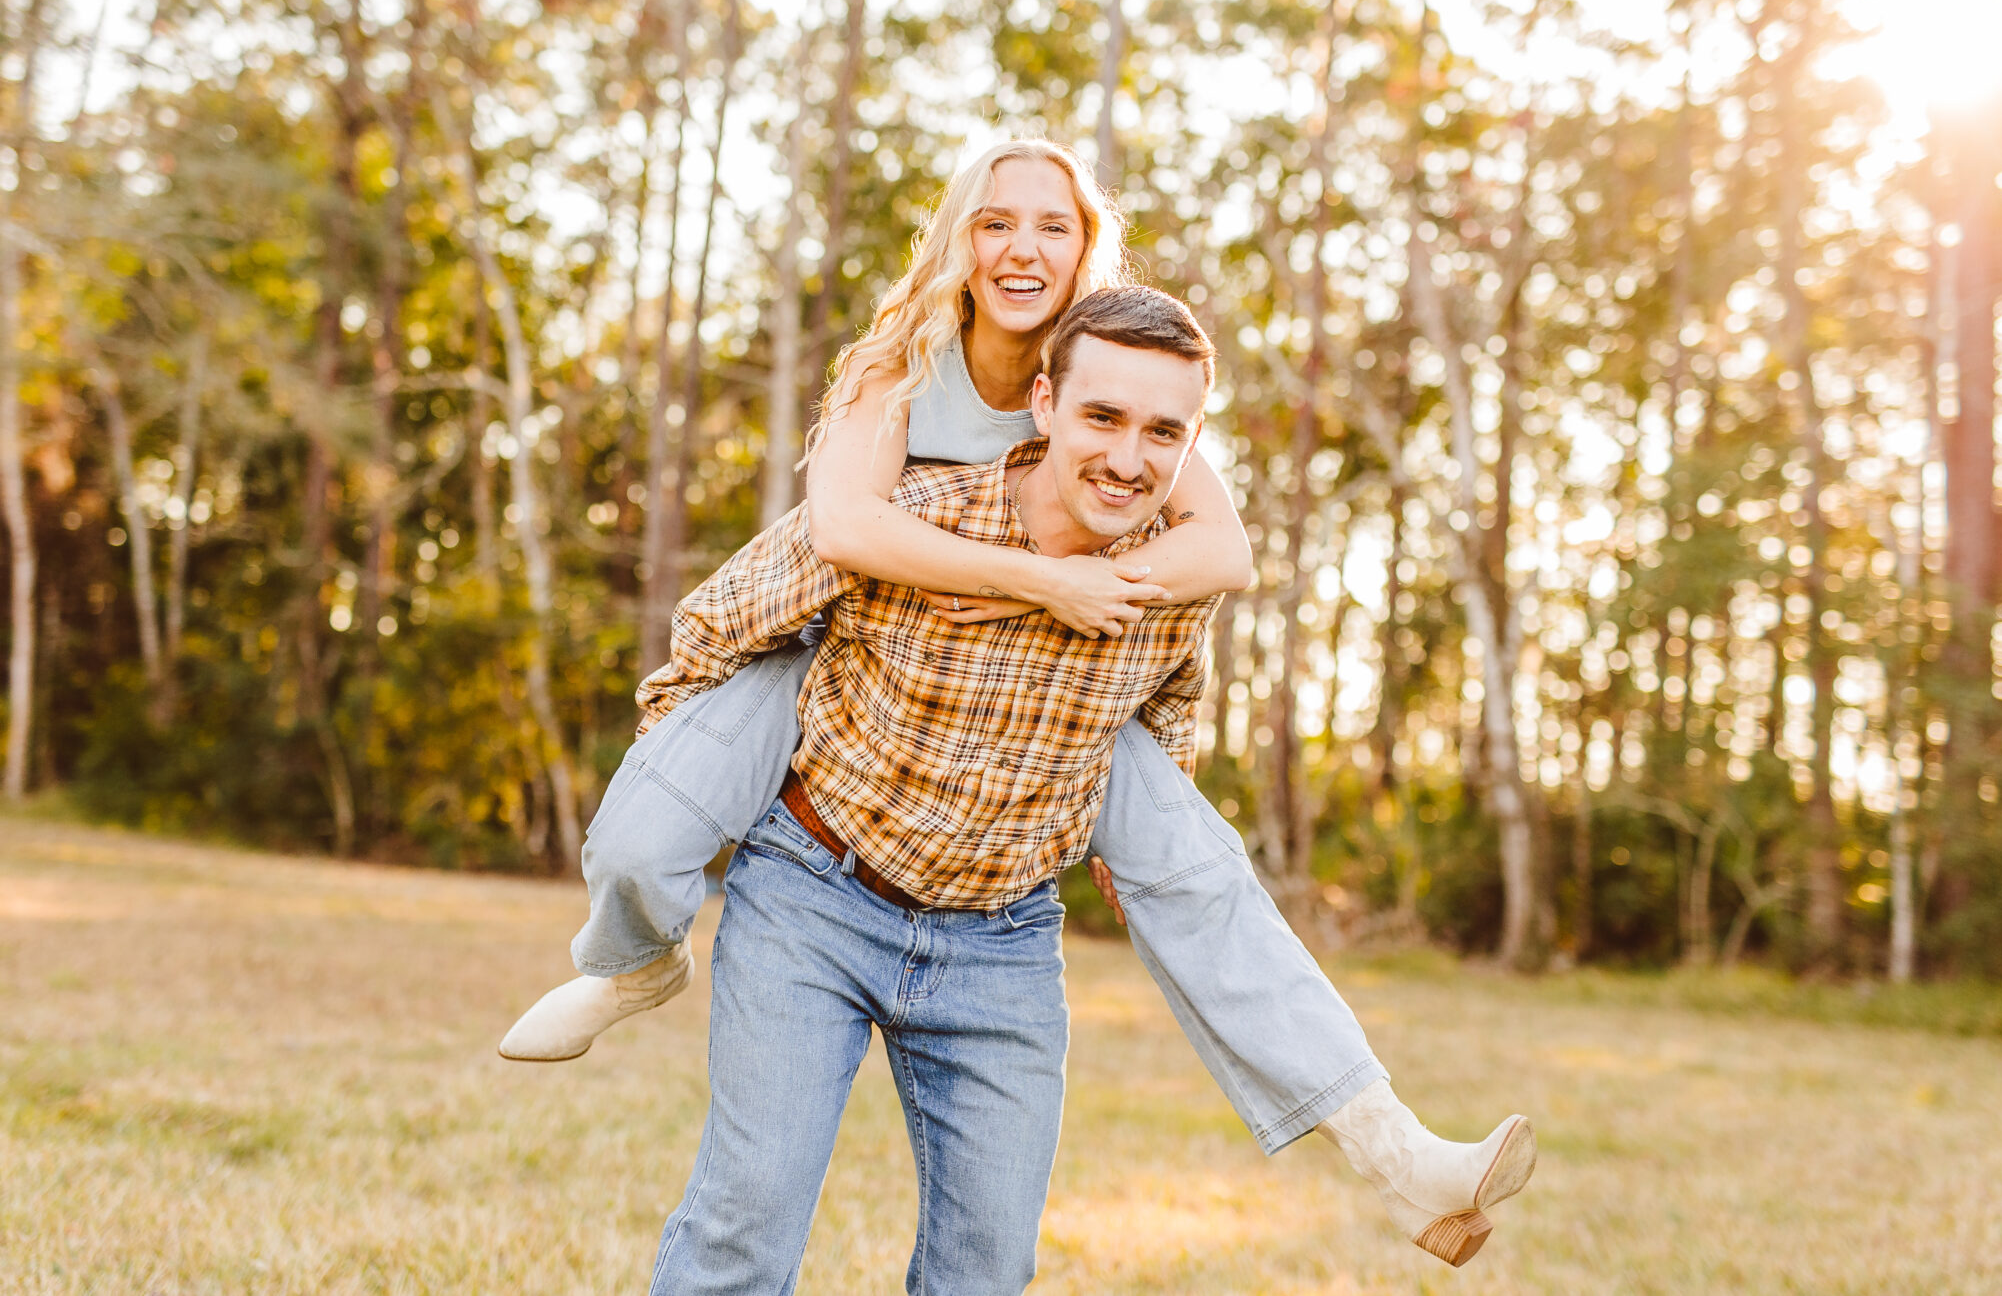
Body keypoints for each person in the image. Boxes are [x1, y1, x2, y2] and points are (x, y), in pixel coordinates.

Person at [502, 143, 1535, 1273]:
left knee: (1195, 869)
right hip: (825, 674)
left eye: (1053, 227)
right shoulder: (905, 363)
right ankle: (631, 957)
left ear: (1088, 251)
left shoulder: (1132, 390)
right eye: (995, 224)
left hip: (1002, 905)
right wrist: (1049, 582)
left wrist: (1138, 781)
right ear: (964, 253)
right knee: (648, 842)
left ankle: (1391, 1150)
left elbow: (1217, 569)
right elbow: (840, 532)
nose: (1023, 248)